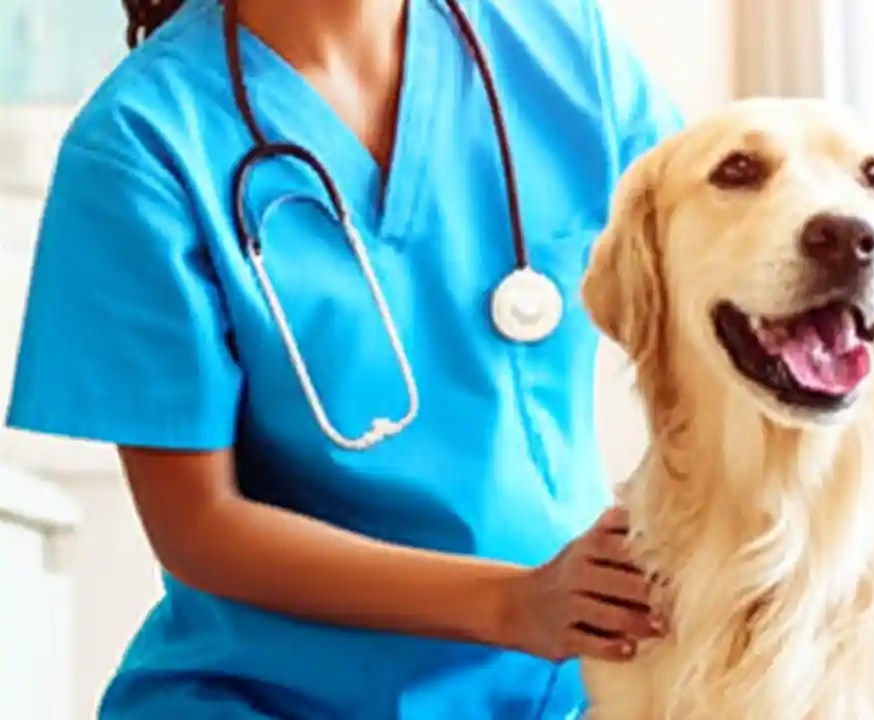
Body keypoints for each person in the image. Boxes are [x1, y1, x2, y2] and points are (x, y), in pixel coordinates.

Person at [4, 0, 683, 716]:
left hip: (563, 692)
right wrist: (516, 604)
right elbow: (198, 526)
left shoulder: (560, 44)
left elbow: (715, 291)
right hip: (278, 701)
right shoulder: (142, 141)